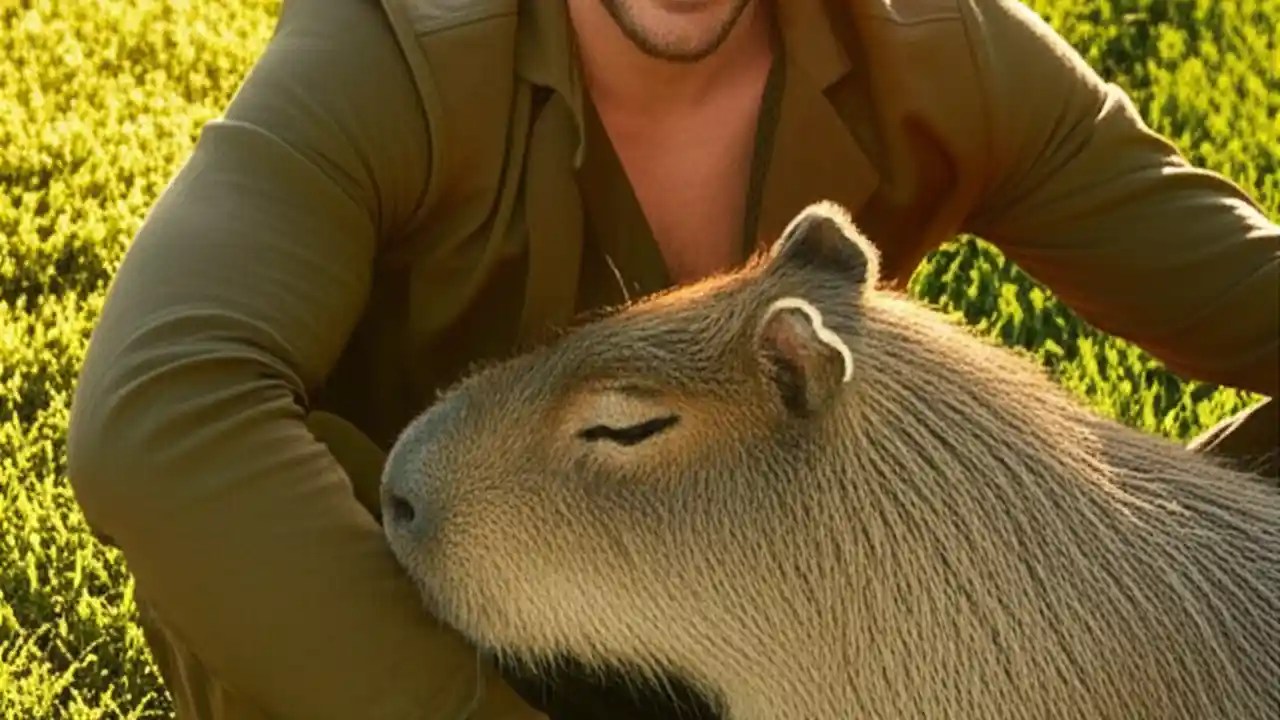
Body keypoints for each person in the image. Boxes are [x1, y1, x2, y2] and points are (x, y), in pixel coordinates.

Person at [65, 0, 1278, 718]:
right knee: (244, 522)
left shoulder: (928, 40)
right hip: (439, 637)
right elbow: (158, 419)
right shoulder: (395, 49)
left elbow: (1235, 286)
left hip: (797, 644)